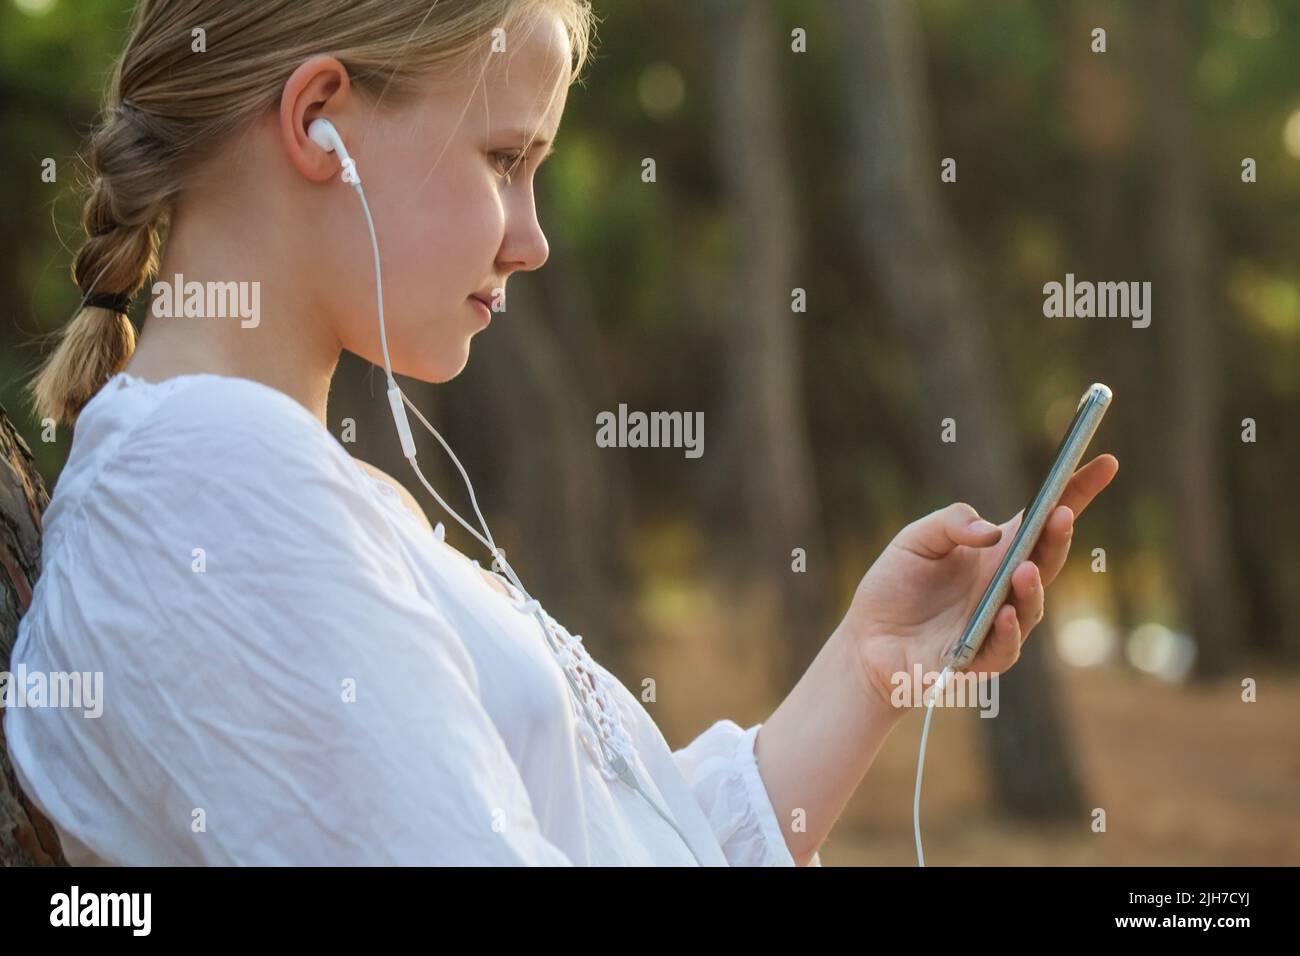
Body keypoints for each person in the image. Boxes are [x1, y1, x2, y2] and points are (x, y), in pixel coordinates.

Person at [5, 0, 1117, 866]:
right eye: (504, 160)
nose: (533, 240)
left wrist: (870, 669)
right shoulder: (209, 490)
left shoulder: (271, 481)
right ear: (317, 121)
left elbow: (617, 836)